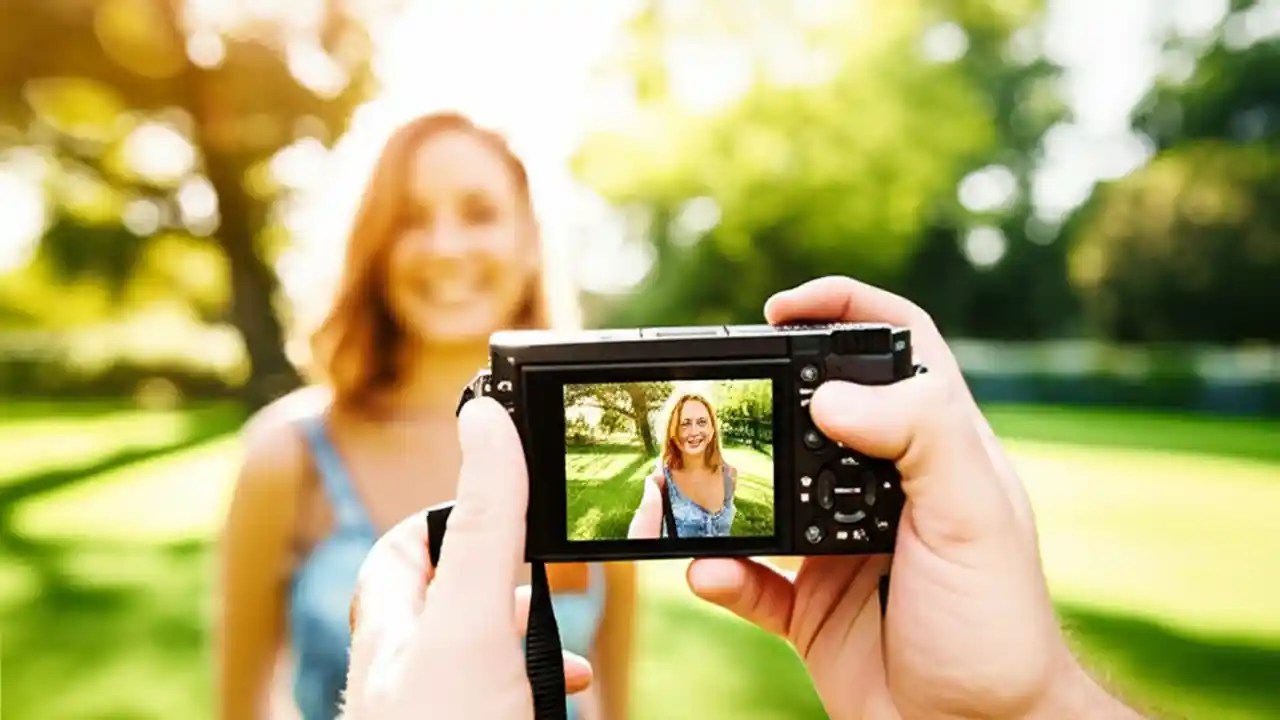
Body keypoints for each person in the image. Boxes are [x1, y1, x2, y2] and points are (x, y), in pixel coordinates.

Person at [340, 275, 1152, 720]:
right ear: (670, 431)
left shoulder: (738, 477)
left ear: (712, 427)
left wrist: (1028, 705)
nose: (693, 428)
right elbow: (640, 529)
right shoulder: (658, 481)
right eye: (682, 419)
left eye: (702, 417)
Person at [216, 112, 635, 720]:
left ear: (529, 242)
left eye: (479, 214)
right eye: (410, 219)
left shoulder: (592, 449)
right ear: (376, 247)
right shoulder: (287, 456)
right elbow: (240, 708)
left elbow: (614, 705)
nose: (445, 247)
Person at [627, 392, 737, 539]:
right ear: (673, 430)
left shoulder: (729, 475)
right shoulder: (661, 481)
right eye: (685, 424)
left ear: (712, 428)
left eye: (702, 422)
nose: (694, 432)